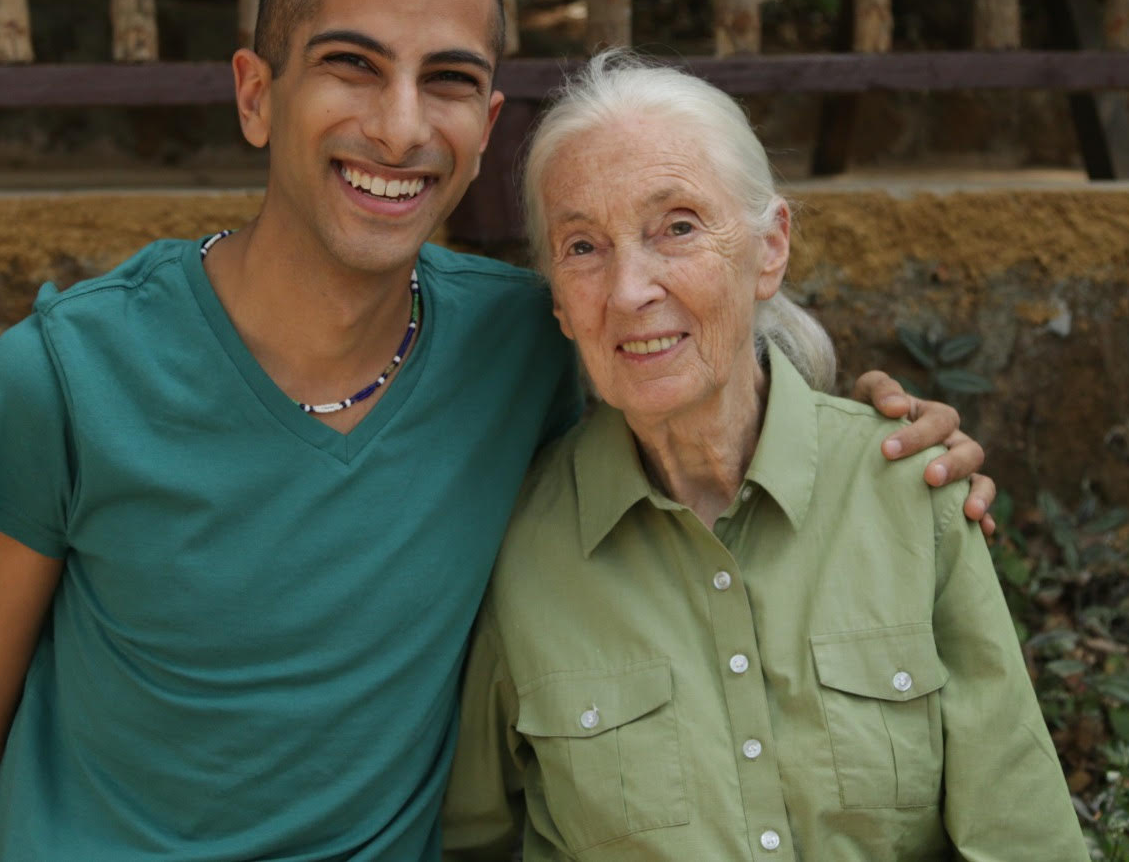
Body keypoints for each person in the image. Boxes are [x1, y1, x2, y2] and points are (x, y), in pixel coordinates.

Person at [0, 0, 995, 862]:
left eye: (448, 79)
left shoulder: (529, 345)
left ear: (488, 123)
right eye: (352, 66)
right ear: (256, 93)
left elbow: (710, 376)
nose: (400, 126)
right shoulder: (67, 379)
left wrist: (878, 443)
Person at [441, 51, 1084, 861]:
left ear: (770, 248)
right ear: (560, 304)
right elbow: (471, 844)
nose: (629, 289)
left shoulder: (909, 491)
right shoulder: (516, 545)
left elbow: (1022, 838)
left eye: (677, 227)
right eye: (582, 247)